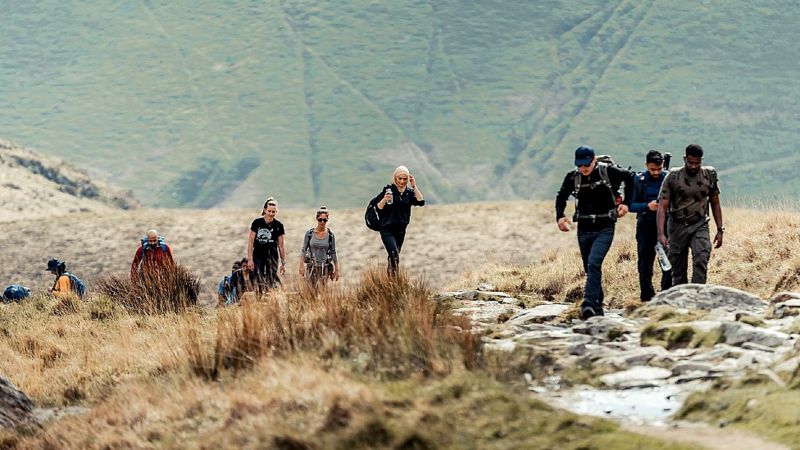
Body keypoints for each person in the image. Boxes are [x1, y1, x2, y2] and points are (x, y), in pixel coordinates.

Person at [555, 146, 633, 320]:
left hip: (605, 226)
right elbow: (561, 196)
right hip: (584, 227)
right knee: (589, 268)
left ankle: (588, 304)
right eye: (579, 166)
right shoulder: (573, 177)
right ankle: (598, 306)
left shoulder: (608, 171)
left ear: (594, 161)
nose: (583, 169)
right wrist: (560, 216)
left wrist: (626, 203)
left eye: (586, 165)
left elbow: (630, 178)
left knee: (593, 263)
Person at [657, 144, 724, 286]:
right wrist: (661, 234)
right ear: (684, 159)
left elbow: (715, 202)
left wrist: (720, 229)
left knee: (701, 257)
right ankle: (682, 302)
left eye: (697, 163)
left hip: (699, 224)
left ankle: (697, 296)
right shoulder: (673, 177)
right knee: (678, 270)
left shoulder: (709, 175)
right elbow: (662, 207)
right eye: (690, 162)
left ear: (702, 160)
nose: (693, 166)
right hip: (677, 226)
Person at [630, 150, 673, 301]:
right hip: (645, 227)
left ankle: (666, 297)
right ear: (646, 165)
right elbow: (630, 205)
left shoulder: (668, 178)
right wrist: (647, 206)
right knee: (645, 265)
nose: (656, 172)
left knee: (668, 263)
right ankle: (646, 298)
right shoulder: (639, 180)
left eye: (659, 169)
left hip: (665, 227)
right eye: (652, 169)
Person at [371, 166, 425, 276]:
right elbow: (378, 208)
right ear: (395, 178)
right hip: (387, 229)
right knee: (394, 254)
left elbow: (421, 202)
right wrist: (384, 200)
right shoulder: (388, 190)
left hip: (400, 230)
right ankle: (395, 282)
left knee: (394, 257)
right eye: (400, 178)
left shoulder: (409, 193)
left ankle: (391, 282)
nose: (402, 181)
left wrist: (414, 186)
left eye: (405, 179)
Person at [247, 197, 286, 293]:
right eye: (269, 211)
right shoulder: (257, 223)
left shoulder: (279, 225)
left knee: (271, 280)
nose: (271, 214)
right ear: (265, 210)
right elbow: (250, 242)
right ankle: (258, 299)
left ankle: (269, 301)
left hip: (272, 256)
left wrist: (283, 263)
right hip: (258, 255)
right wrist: (250, 259)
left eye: (274, 212)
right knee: (257, 278)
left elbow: (281, 246)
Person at [298, 206, 340, 289]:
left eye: (325, 220)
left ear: (327, 220)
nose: (322, 222)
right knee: (311, 290)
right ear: (317, 219)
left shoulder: (330, 235)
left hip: (325, 267)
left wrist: (337, 269)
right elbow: (304, 249)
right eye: (320, 219)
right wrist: (301, 265)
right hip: (311, 266)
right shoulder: (310, 234)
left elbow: (333, 252)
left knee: (322, 290)